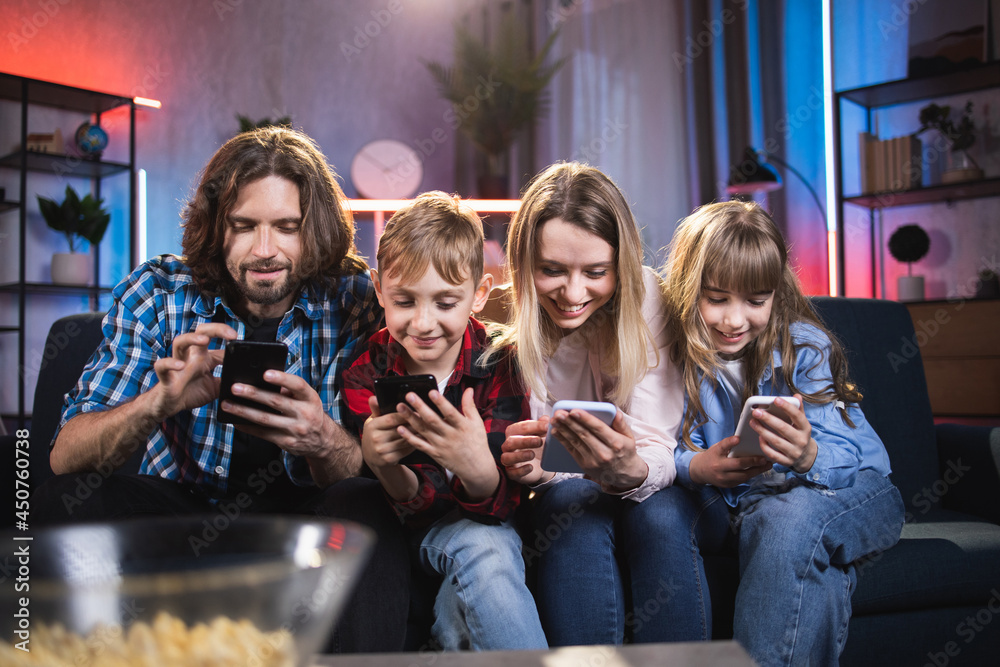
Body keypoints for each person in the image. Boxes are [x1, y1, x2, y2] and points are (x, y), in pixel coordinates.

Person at [31, 127, 410, 653]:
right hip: (188, 512)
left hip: (307, 516)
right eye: (243, 226)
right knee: (67, 500)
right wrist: (157, 402)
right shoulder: (159, 291)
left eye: (286, 228)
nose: (264, 250)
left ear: (314, 229)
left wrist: (322, 438)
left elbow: (376, 470)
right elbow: (63, 455)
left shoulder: (353, 297)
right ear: (215, 228)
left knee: (368, 502)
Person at [657, 200, 905, 666]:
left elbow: (847, 458)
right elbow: (658, 448)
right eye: (716, 299)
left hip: (858, 489)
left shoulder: (804, 348)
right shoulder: (672, 356)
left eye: (755, 301)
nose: (735, 321)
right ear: (689, 290)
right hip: (761, 503)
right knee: (803, 556)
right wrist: (696, 466)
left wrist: (808, 454)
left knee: (784, 518)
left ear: (775, 293)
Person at [341, 191, 547, 651]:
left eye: (445, 302)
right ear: (379, 290)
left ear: (479, 296)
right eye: (405, 300)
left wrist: (476, 467)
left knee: (480, 563)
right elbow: (404, 513)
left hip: (489, 527)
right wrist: (386, 469)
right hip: (410, 535)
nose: (423, 322)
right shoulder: (364, 371)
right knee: (484, 549)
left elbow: (504, 509)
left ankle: (446, 638)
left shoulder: (501, 362)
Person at [495, 162, 684, 645]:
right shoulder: (499, 312)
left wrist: (632, 471)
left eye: (596, 273)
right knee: (570, 499)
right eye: (552, 271)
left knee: (659, 512)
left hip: (647, 486)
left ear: (619, 266)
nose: (574, 294)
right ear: (524, 265)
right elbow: (541, 464)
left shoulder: (647, 299)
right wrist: (537, 472)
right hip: (562, 496)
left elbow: (657, 446)